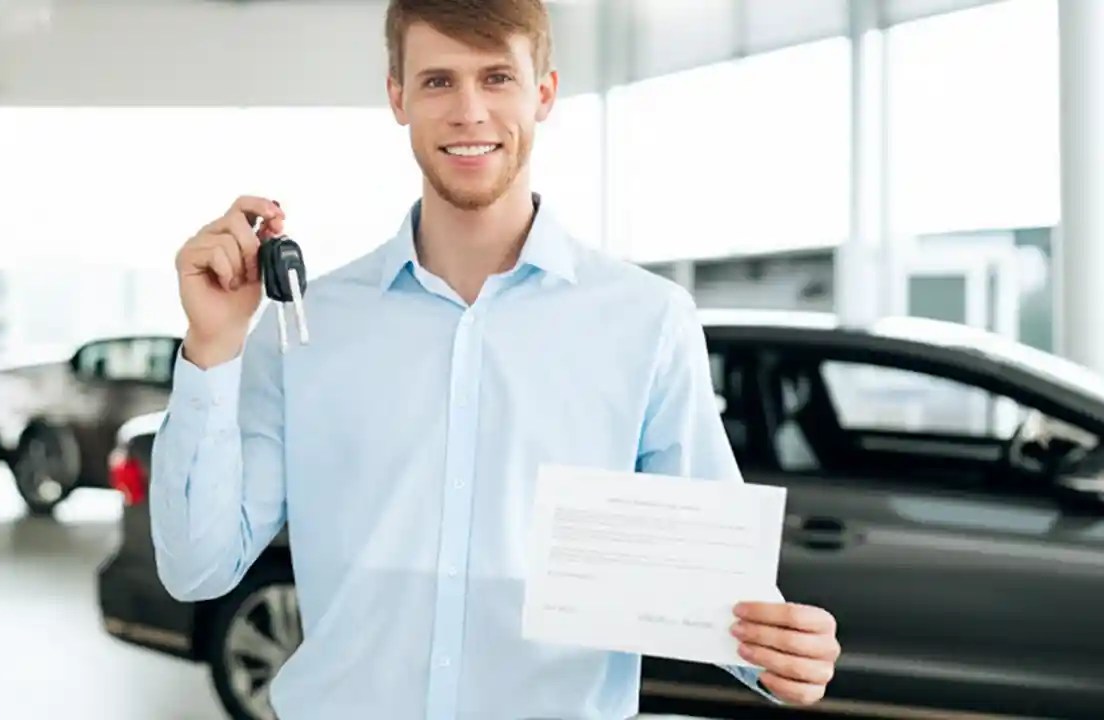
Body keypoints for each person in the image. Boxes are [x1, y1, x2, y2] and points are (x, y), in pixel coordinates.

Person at [151, 0, 841, 717]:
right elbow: (199, 566)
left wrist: (782, 653)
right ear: (399, 97)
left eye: (497, 78)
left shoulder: (647, 322)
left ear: (543, 92)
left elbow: (713, 590)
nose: (470, 111)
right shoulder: (301, 328)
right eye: (439, 81)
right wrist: (211, 346)